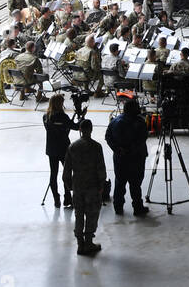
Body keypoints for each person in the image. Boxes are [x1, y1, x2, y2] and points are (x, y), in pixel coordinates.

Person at [62, 119, 105, 256]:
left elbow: (66, 171)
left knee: (79, 214)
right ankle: (89, 242)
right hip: (92, 187)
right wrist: (101, 185)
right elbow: (101, 169)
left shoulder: (72, 147)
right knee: (92, 214)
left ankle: (80, 244)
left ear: (80, 130)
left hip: (78, 186)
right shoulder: (96, 147)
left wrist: (70, 186)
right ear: (91, 129)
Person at [105, 97, 150, 216]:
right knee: (135, 184)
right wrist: (131, 150)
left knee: (120, 182)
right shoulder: (139, 122)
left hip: (120, 158)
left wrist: (118, 149)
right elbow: (142, 138)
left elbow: (108, 137)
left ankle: (118, 207)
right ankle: (137, 207)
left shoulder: (115, 121)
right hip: (136, 158)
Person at [43, 95, 83, 208]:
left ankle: (56, 198)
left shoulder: (46, 117)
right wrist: (81, 119)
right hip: (64, 149)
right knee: (67, 174)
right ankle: (67, 197)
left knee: (53, 174)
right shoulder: (63, 117)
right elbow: (76, 127)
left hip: (51, 149)